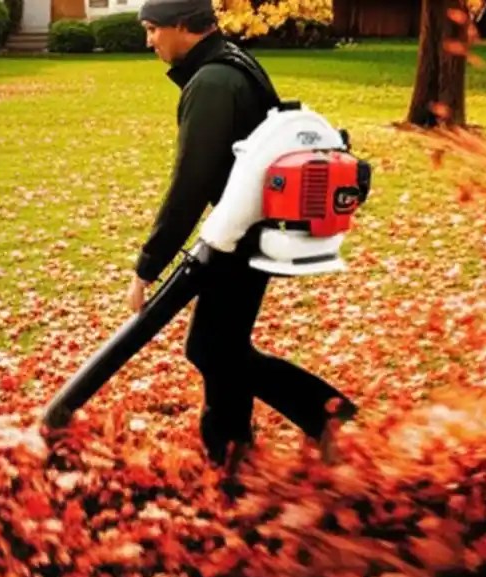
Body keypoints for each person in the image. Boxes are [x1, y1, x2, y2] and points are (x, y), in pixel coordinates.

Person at [130, 0, 357, 485]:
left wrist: (147, 265)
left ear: (182, 26)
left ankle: (324, 411)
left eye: (153, 30)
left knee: (212, 349)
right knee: (221, 345)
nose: (150, 41)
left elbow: (190, 184)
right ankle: (231, 451)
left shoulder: (212, 83)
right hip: (257, 228)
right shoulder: (232, 61)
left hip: (243, 234)